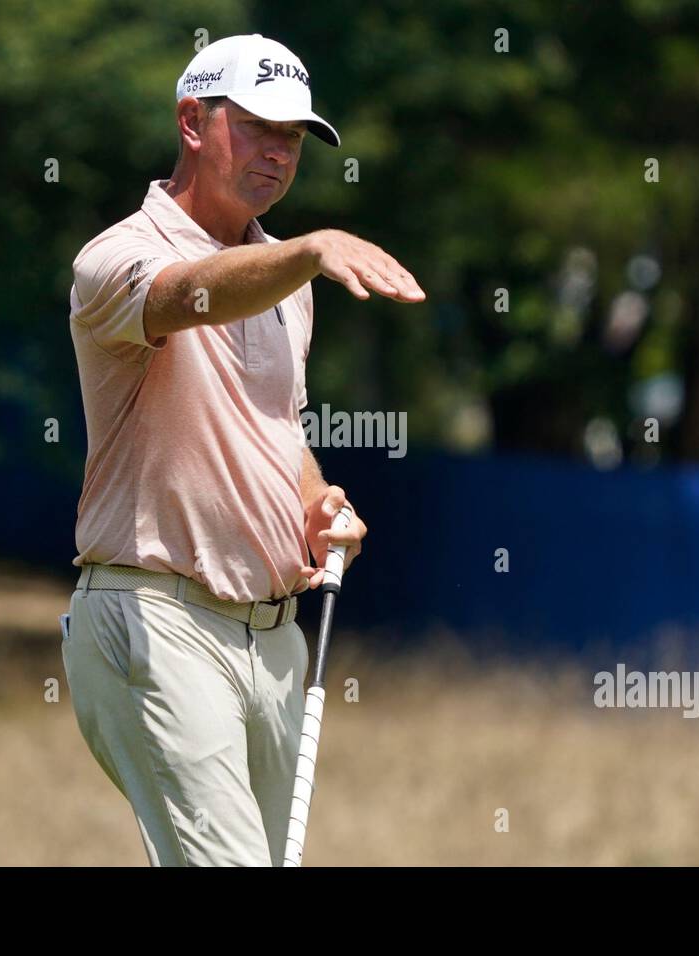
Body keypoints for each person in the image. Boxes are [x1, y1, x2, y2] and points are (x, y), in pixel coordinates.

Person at [60, 33, 426, 866]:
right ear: (193, 122)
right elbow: (186, 297)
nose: (277, 151)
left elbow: (279, 431)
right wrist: (307, 251)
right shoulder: (115, 258)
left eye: (293, 136)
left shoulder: (285, 283)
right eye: (259, 126)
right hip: (155, 615)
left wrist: (319, 504)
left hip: (274, 638)